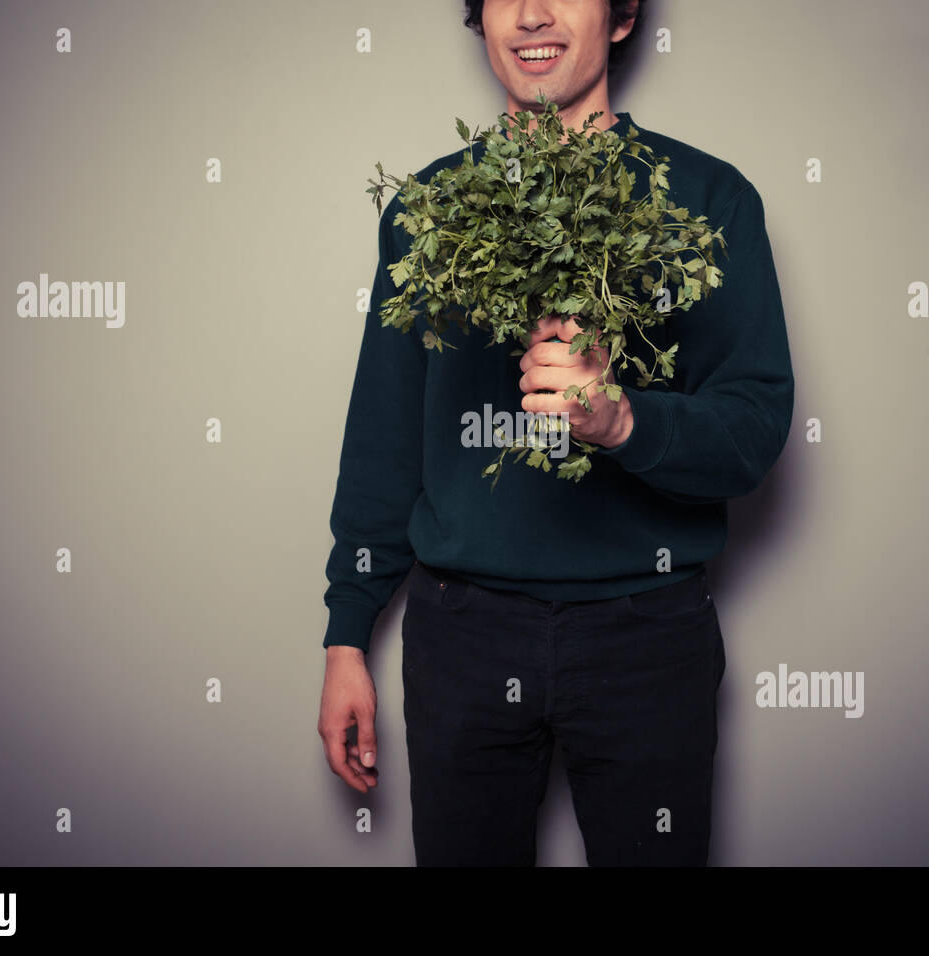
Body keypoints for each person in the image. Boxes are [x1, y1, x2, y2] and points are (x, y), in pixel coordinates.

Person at [317, 0, 793, 866]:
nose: (533, 13)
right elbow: (382, 442)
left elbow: (753, 432)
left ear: (620, 15)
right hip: (460, 637)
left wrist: (622, 419)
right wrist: (347, 632)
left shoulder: (708, 201)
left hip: (646, 636)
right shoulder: (426, 213)